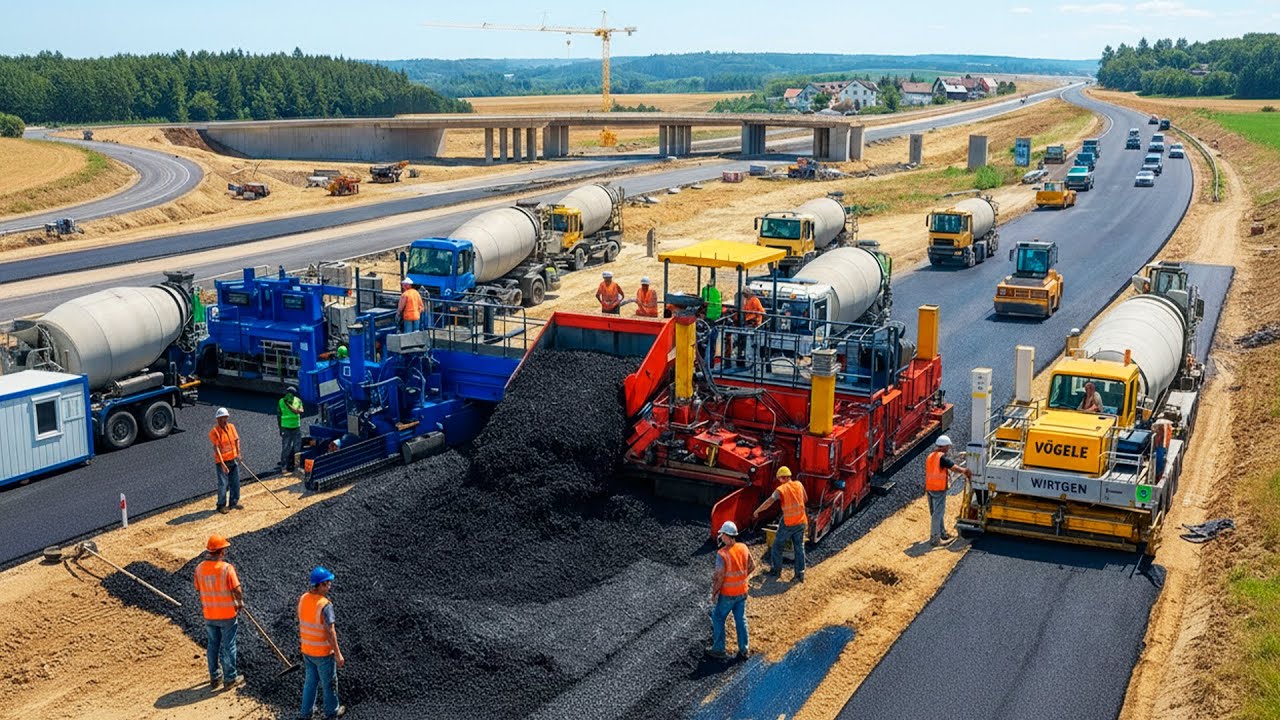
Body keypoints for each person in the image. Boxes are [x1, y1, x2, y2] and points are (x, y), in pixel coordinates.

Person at [195, 534, 244, 691]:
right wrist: (239, 602)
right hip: (227, 614)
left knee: (212, 645)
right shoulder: (226, 568)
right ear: (221, 551)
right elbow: (237, 589)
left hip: (209, 614)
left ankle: (215, 677)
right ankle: (230, 678)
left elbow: (198, 588)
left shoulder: (199, 568)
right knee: (229, 646)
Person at [299, 567, 346, 719]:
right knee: (329, 684)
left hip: (307, 650)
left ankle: (306, 713)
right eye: (327, 584)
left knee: (310, 683)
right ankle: (332, 712)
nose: (329, 586)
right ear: (320, 585)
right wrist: (338, 654)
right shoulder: (325, 605)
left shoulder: (303, 598)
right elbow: (330, 632)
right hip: (323, 653)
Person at [709, 521, 756, 660]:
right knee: (740, 619)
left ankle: (718, 649)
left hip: (728, 594)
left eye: (722, 534)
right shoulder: (743, 547)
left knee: (718, 616)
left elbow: (720, 576)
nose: (721, 537)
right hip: (742, 592)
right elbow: (752, 566)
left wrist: (714, 593)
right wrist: (741, 578)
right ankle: (744, 649)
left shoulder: (722, 554)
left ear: (727, 536)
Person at [752, 466, 807, 582]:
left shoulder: (781, 489)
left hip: (789, 523)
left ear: (782, 478)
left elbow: (769, 502)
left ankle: (776, 571)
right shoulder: (799, 484)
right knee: (799, 547)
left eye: (779, 479)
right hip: (801, 520)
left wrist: (757, 511)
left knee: (777, 546)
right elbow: (805, 499)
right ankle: (800, 574)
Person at [925, 436, 972, 547]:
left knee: (935, 512)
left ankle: (943, 534)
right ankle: (935, 539)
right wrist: (965, 470)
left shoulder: (930, 456)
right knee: (938, 513)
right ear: (944, 447)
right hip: (938, 489)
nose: (948, 449)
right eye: (947, 447)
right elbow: (953, 467)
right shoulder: (941, 458)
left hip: (930, 488)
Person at [210, 407, 242, 514]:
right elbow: (216, 448)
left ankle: (233, 502)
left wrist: (238, 453)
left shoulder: (231, 427)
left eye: (225, 418)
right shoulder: (215, 432)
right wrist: (223, 464)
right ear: (217, 419)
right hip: (222, 462)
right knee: (223, 484)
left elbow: (236, 439)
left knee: (235, 482)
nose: (224, 420)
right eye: (221, 418)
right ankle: (221, 505)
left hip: (233, 459)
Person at [277, 386, 304, 473]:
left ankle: (297, 466)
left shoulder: (298, 401)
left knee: (297, 448)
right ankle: (284, 467)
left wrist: (288, 404)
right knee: (286, 448)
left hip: (296, 427)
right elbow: (279, 415)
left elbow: (300, 411)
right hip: (286, 427)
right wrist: (280, 428)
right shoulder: (281, 401)